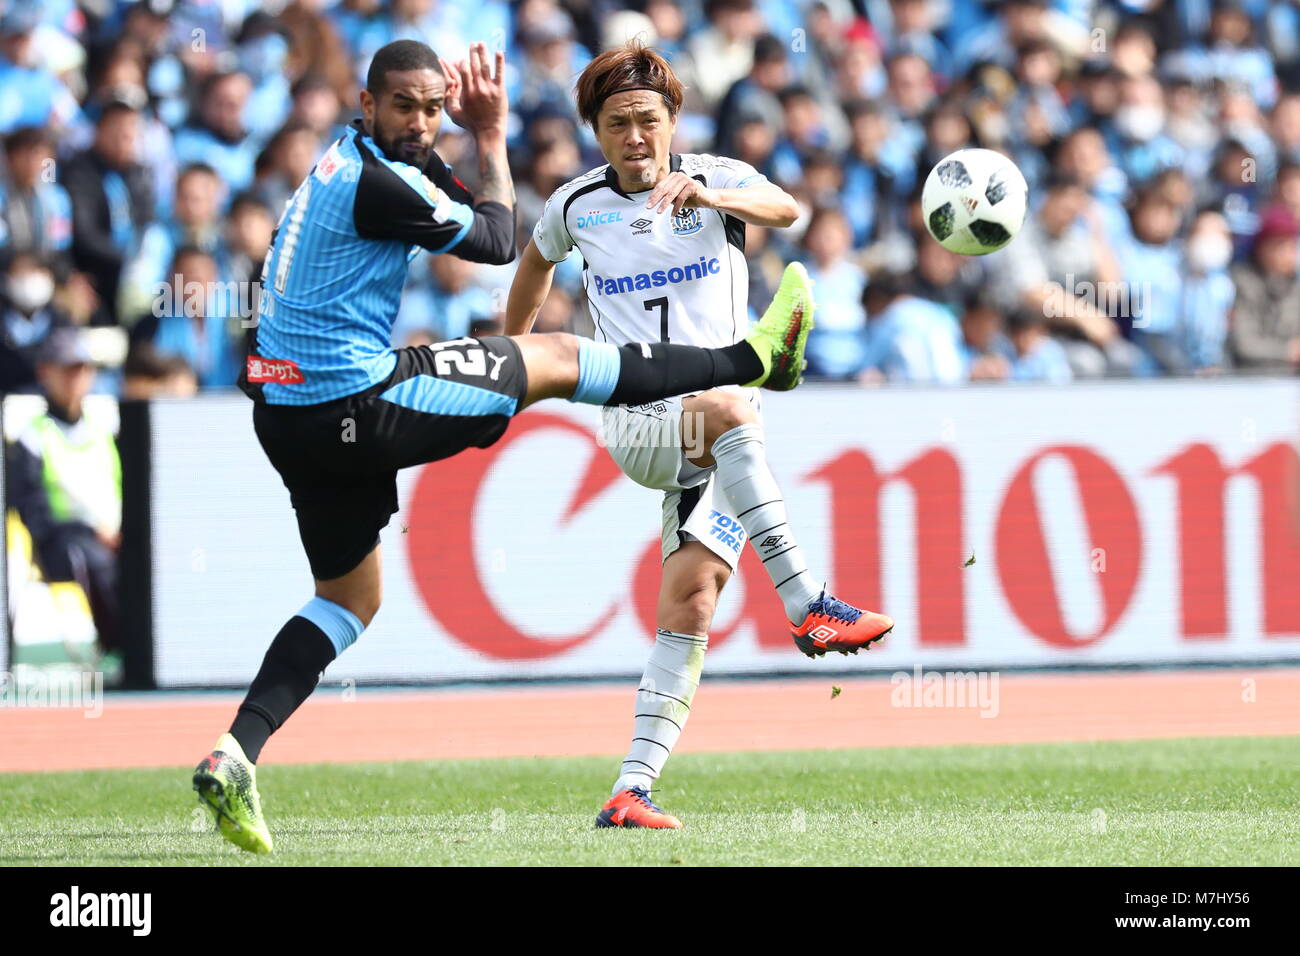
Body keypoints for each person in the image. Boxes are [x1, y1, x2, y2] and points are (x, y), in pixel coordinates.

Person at [192, 39, 815, 856]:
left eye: (431, 107)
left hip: (284, 415)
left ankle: (235, 752)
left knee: (349, 601)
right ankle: (752, 361)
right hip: (351, 399)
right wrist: (490, 135)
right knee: (554, 357)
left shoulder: (353, 159)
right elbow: (495, 239)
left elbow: (470, 211)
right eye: (404, 107)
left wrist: (471, 142)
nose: (420, 122)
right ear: (367, 106)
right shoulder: (386, 183)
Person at [505, 41, 893, 831]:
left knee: (692, 600)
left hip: (713, 434)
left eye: (649, 121)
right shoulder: (577, 204)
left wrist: (717, 200)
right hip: (641, 418)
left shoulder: (717, 176)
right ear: (596, 131)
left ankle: (630, 789)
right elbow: (534, 266)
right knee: (736, 404)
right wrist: (510, 359)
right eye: (618, 125)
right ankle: (808, 602)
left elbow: (792, 211)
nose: (636, 138)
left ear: (673, 121)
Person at [7, 328, 121, 659]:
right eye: (68, 368)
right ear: (46, 372)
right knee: (95, 562)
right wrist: (90, 533)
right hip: (62, 543)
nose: (77, 377)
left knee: (149, 558)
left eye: (83, 368)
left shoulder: (104, 429)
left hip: (116, 536)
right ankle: (117, 646)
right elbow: (32, 511)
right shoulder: (32, 436)